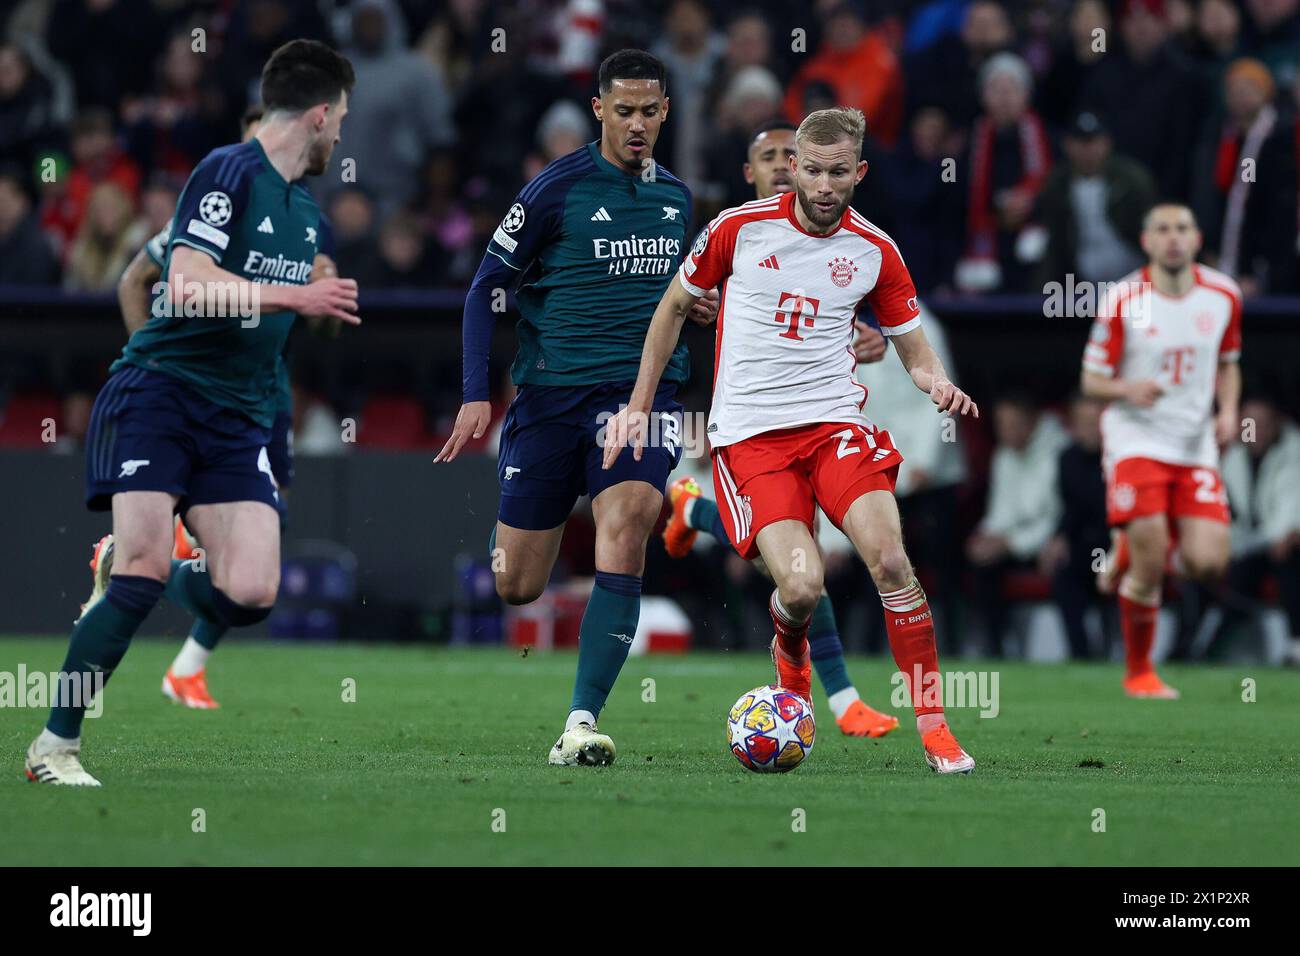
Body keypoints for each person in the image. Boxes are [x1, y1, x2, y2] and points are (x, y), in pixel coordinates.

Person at [605, 107, 980, 774]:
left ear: (858, 172)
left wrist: (937, 383)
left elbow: (914, 350)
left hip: (835, 426)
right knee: (801, 588)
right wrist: (638, 406)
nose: (824, 184)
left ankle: (936, 728)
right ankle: (790, 653)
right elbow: (670, 307)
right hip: (751, 438)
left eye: (839, 172)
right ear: (793, 170)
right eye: (812, 169)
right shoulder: (737, 230)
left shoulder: (876, 251)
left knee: (892, 562)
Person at [24, 39, 359, 786]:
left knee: (253, 591)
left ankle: (134, 569)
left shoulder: (305, 213)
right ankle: (54, 747)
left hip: (239, 416)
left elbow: (296, 311)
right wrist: (295, 296)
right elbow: (186, 282)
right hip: (164, 398)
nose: (341, 135)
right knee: (141, 578)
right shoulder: (225, 171)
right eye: (340, 119)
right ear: (318, 113)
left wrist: (325, 303)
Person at [436, 50, 718, 767]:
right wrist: (475, 394)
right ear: (598, 109)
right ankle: (682, 504)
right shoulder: (553, 191)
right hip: (550, 402)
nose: (636, 124)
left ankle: (581, 723)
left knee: (624, 527)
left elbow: (678, 298)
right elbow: (482, 291)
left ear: (665, 113)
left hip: (637, 398)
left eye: (649, 111)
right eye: (623, 111)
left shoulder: (679, 199)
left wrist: (701, 310)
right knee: (517, 583)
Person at [661, 118, 900, 738]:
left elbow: (823, 306)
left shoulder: (835, 238)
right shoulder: (739, 234)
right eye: (772, 157)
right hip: (749, 423)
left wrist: (859, 337)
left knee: (806, 570)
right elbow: (676, 305)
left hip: (821, 423)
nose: (786, 164)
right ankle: (842, 697)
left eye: (793, 154)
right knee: (797, 570)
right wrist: (701, 313)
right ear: (756, 173)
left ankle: (693, 513)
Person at [111, 103, 339, 709]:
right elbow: (136, 280)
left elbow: (327, 323)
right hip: (192, 389)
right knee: (185, 537)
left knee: (270, 527)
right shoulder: (214, 195)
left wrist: (326, 298)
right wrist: (151, 365)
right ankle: (144, 567)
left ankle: (187, 665)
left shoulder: (304, 214)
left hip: (264, 391)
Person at [1082, 203, 1241, 698]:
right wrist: (1128, 390)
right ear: (1146, 241)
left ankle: (1130, 542)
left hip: (1194, 444)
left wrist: (1229, 411)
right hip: (1137, 438)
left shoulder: (1223, 295)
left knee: (1209, 564)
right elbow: (1090, 381)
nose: (1173, 238)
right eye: (1162, 230)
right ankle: (1139, 673)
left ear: (1196, 238)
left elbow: (1230, 361)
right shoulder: (1123, 298)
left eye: (1183, 228)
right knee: (1151, 561)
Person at [1217, 395, 1300, 664]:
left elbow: (1292, 504)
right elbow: (1230, 514)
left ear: (1276, 424)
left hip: (1286, 542)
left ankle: (1295, 644)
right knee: (1230, 576)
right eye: (1249, 424)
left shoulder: (1294, 451)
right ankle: (1209, 649)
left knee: (1289, 562)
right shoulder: (1232, 458)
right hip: (1249, 547)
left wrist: (1288, 532)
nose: (1255, 431)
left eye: (1262, 424)